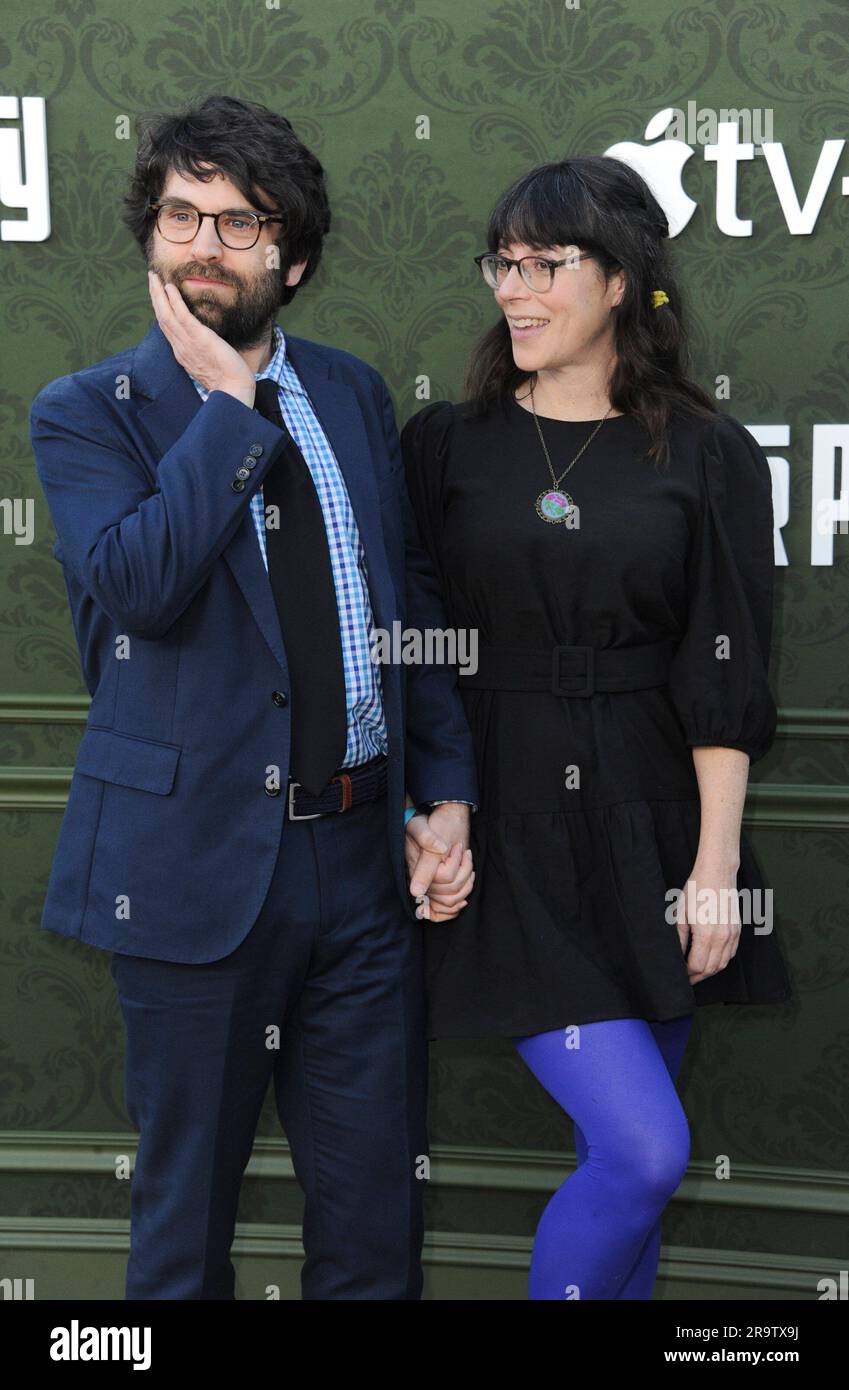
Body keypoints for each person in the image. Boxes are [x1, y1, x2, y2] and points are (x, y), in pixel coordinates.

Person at [29, 94, 479, 1300]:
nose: (201, 246)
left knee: (376, 1226)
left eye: (239, 222)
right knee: (184, 1234)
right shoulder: (86, 413)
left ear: (297, 257)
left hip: (365, 869)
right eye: (181, 215)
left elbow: (409, 601)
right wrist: (228, 406)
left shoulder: (352, 392)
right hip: (189, 873)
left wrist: (443, 793)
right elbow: (140, 586)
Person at [399, 155, 795, 1301]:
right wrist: (435, 806)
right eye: (503, 264)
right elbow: (411, 639)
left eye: (546, 265)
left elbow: (724, 668)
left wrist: (715, 866)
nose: (514, 290)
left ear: (622, 280)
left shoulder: (706, 452)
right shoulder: (445, 446)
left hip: (655, 832)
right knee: (644, 1149)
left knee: (624, 1170)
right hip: (509, 824)